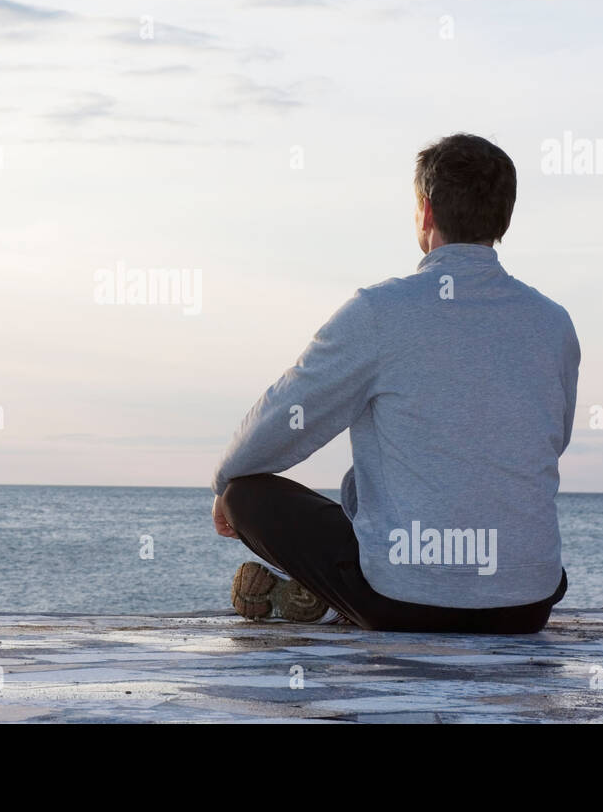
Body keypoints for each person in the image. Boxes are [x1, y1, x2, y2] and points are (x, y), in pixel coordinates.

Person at [211, 133, 580, 633]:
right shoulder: (552, 323)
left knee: (245, 494)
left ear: (425, 212)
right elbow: (549, 443)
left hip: (402, 603)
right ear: (503, 219)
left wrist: (224, 487)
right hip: (525, 605)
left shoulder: (380, 312)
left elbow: (283, 419)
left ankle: (324, 589)